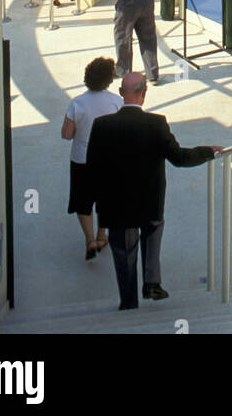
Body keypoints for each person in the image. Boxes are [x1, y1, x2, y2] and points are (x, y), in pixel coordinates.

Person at [86, 72, 223, 310]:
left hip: (116, 207)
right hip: (149, 202)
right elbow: (179, 158)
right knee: (152, 237)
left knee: (124, 252)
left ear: (120, 93)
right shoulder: (156, 124)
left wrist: (96, 204)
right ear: (144, 93)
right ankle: (151, 284)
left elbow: (93, 169)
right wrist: (207, 151)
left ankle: (128, 302)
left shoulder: (101, 126)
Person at [61, 56, 122, 260]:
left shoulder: (77, 103)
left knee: (82, 201)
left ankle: (90, 240)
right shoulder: (116, 102)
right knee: (106, 199)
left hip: (81, 159)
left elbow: (67, 134)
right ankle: (102, 235)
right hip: (108, 160)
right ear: (109, 79)